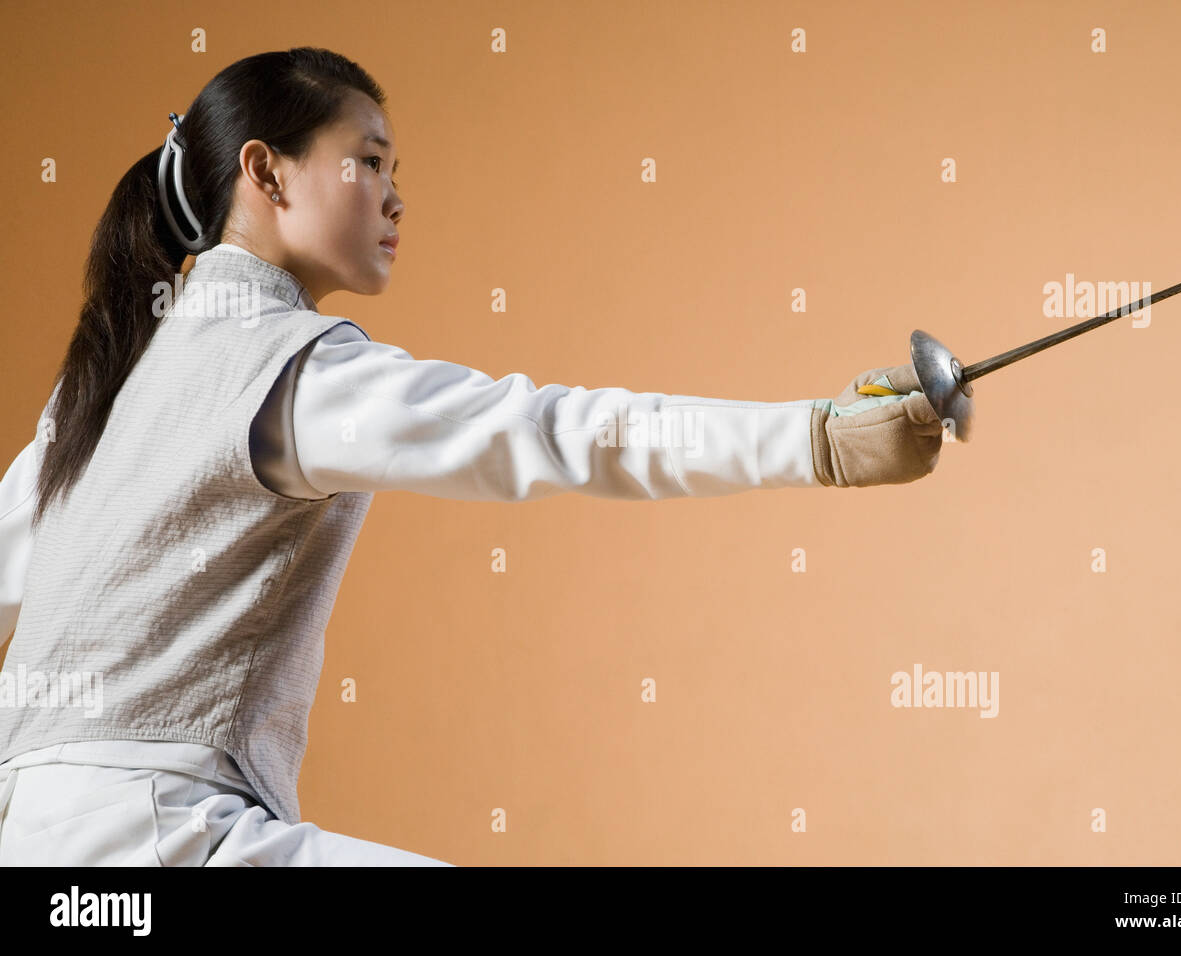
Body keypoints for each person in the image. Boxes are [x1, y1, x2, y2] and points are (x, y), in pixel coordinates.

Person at [0, 47, 944, 866]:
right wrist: (818, 439)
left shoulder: (106, 379)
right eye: (367, 161)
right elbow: (548, 435)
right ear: (267, 172)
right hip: (161, 839)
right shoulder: (292, 374)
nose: (396, 195)